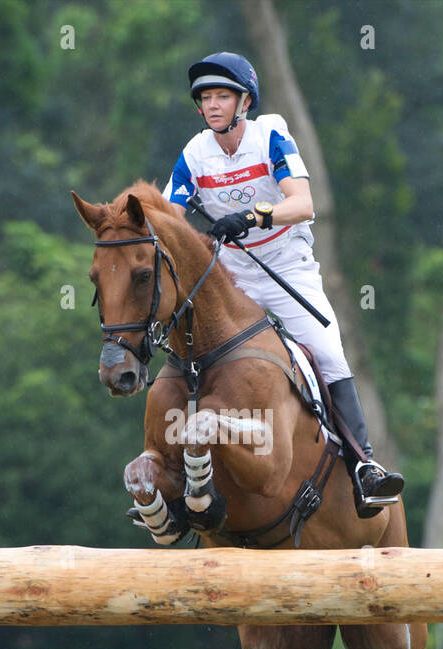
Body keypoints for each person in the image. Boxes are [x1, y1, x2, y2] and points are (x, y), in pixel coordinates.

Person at [161, 51, 404, 518]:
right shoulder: (194, 154)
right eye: (205, 98)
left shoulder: (270, 133)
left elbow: (304, 203)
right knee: (187, 353)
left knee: (328, 349)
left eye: (221, 96)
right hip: (231, 277)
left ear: (244, 101)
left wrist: (251, 217)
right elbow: (171, 218)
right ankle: (172, 474)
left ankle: (364, 467)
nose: (211, 106)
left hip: (286, 265)